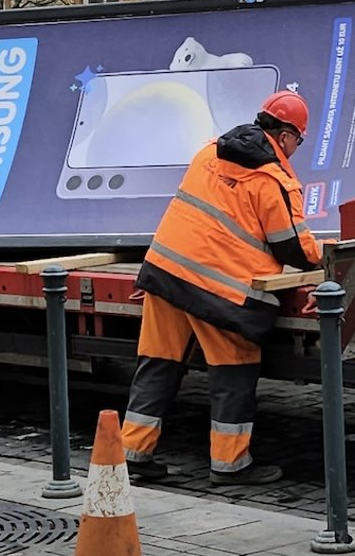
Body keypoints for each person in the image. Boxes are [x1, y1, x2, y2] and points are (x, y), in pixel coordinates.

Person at [122, 92, 323, 486]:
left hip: (165, 274)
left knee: (158, 365)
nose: (296, 149)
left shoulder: (209, 152)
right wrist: (330, 255)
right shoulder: (273, 179)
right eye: (299, 140)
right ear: (284, 137)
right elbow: (295, 249)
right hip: (220, 291)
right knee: (233, 373)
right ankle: (230, 464)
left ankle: (132, 454)